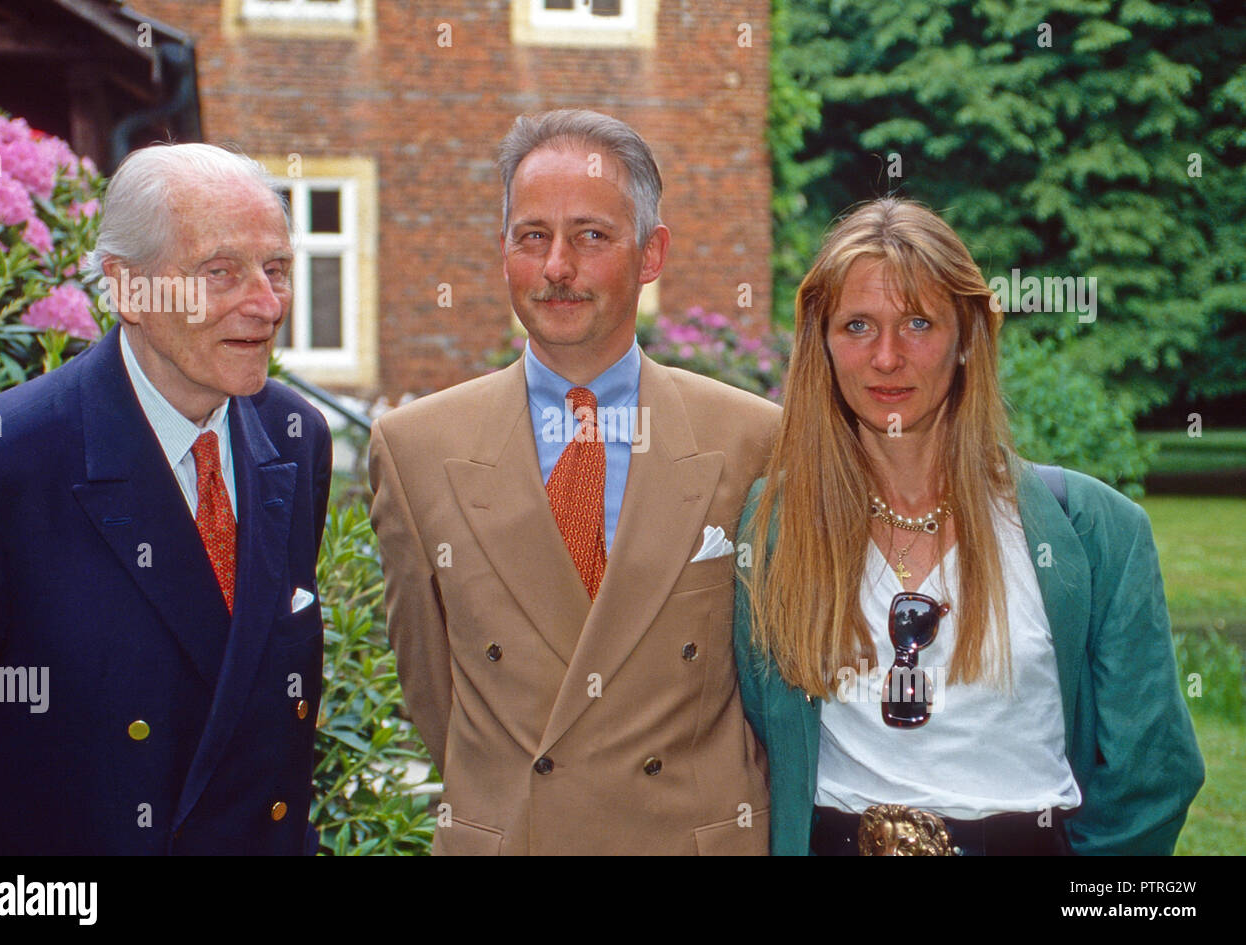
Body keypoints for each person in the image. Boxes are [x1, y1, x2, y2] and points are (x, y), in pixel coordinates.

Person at [734, 197, 1203, 856]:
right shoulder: (774, 526)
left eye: (919, 322)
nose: (887, 357)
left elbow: (1153, 778)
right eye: (858, 325)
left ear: (968, 337)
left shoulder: (1097, 531)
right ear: (822, 342)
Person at [369, 109, 779, 855]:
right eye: (533, 237)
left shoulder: (751, 438)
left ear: (651, 254)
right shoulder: (414, 448)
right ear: (503, 253)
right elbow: (435, 693)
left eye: (592, 235)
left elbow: (773, 679)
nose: (558, 266)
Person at [0, 143, 332, 854]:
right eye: (221, 272)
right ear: (127, 288)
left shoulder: (296, 436)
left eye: (276, 268)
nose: (267, 302)